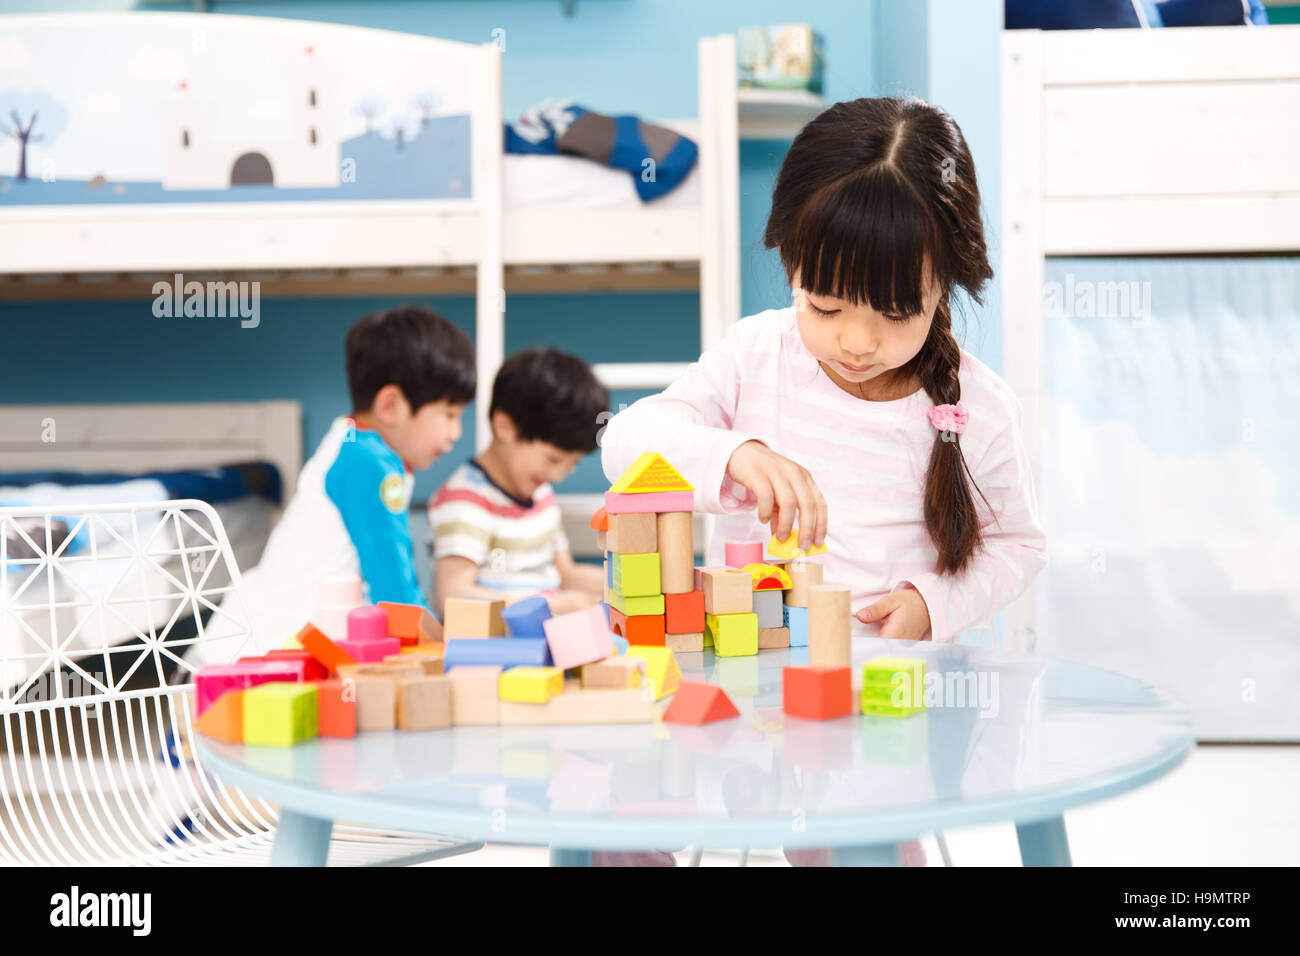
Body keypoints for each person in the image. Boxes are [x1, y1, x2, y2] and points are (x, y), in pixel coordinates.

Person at [600, 97, 1049, 865]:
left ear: (948, 281)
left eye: (896, 312)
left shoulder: (979, 408)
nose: (856, 341)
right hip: (739, 689)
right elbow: (624, 441)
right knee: (619, 817)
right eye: (826, 304)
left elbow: (1018, 545)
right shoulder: (756, 357)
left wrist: (931, 605)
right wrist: (734, 454)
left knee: (851, 839)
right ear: (790, 265)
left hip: (879, 709)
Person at [214, 303, 474, 656]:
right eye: (449, 414)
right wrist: (451, 651)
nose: (456, 433)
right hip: (271, 651)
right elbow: (396, 595)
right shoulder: (370, 464)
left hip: (259, 636)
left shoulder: (354, 445)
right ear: (390, 406)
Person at [430, 347, 608, 617]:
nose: (558, 476)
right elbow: (451, 596)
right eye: (553, 459)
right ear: (505, 427)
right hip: (497, 640)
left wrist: (624, 584)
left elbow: (567, 574)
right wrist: (550, 606)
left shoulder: (541, 494)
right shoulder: (465, 500)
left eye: (572, 463)